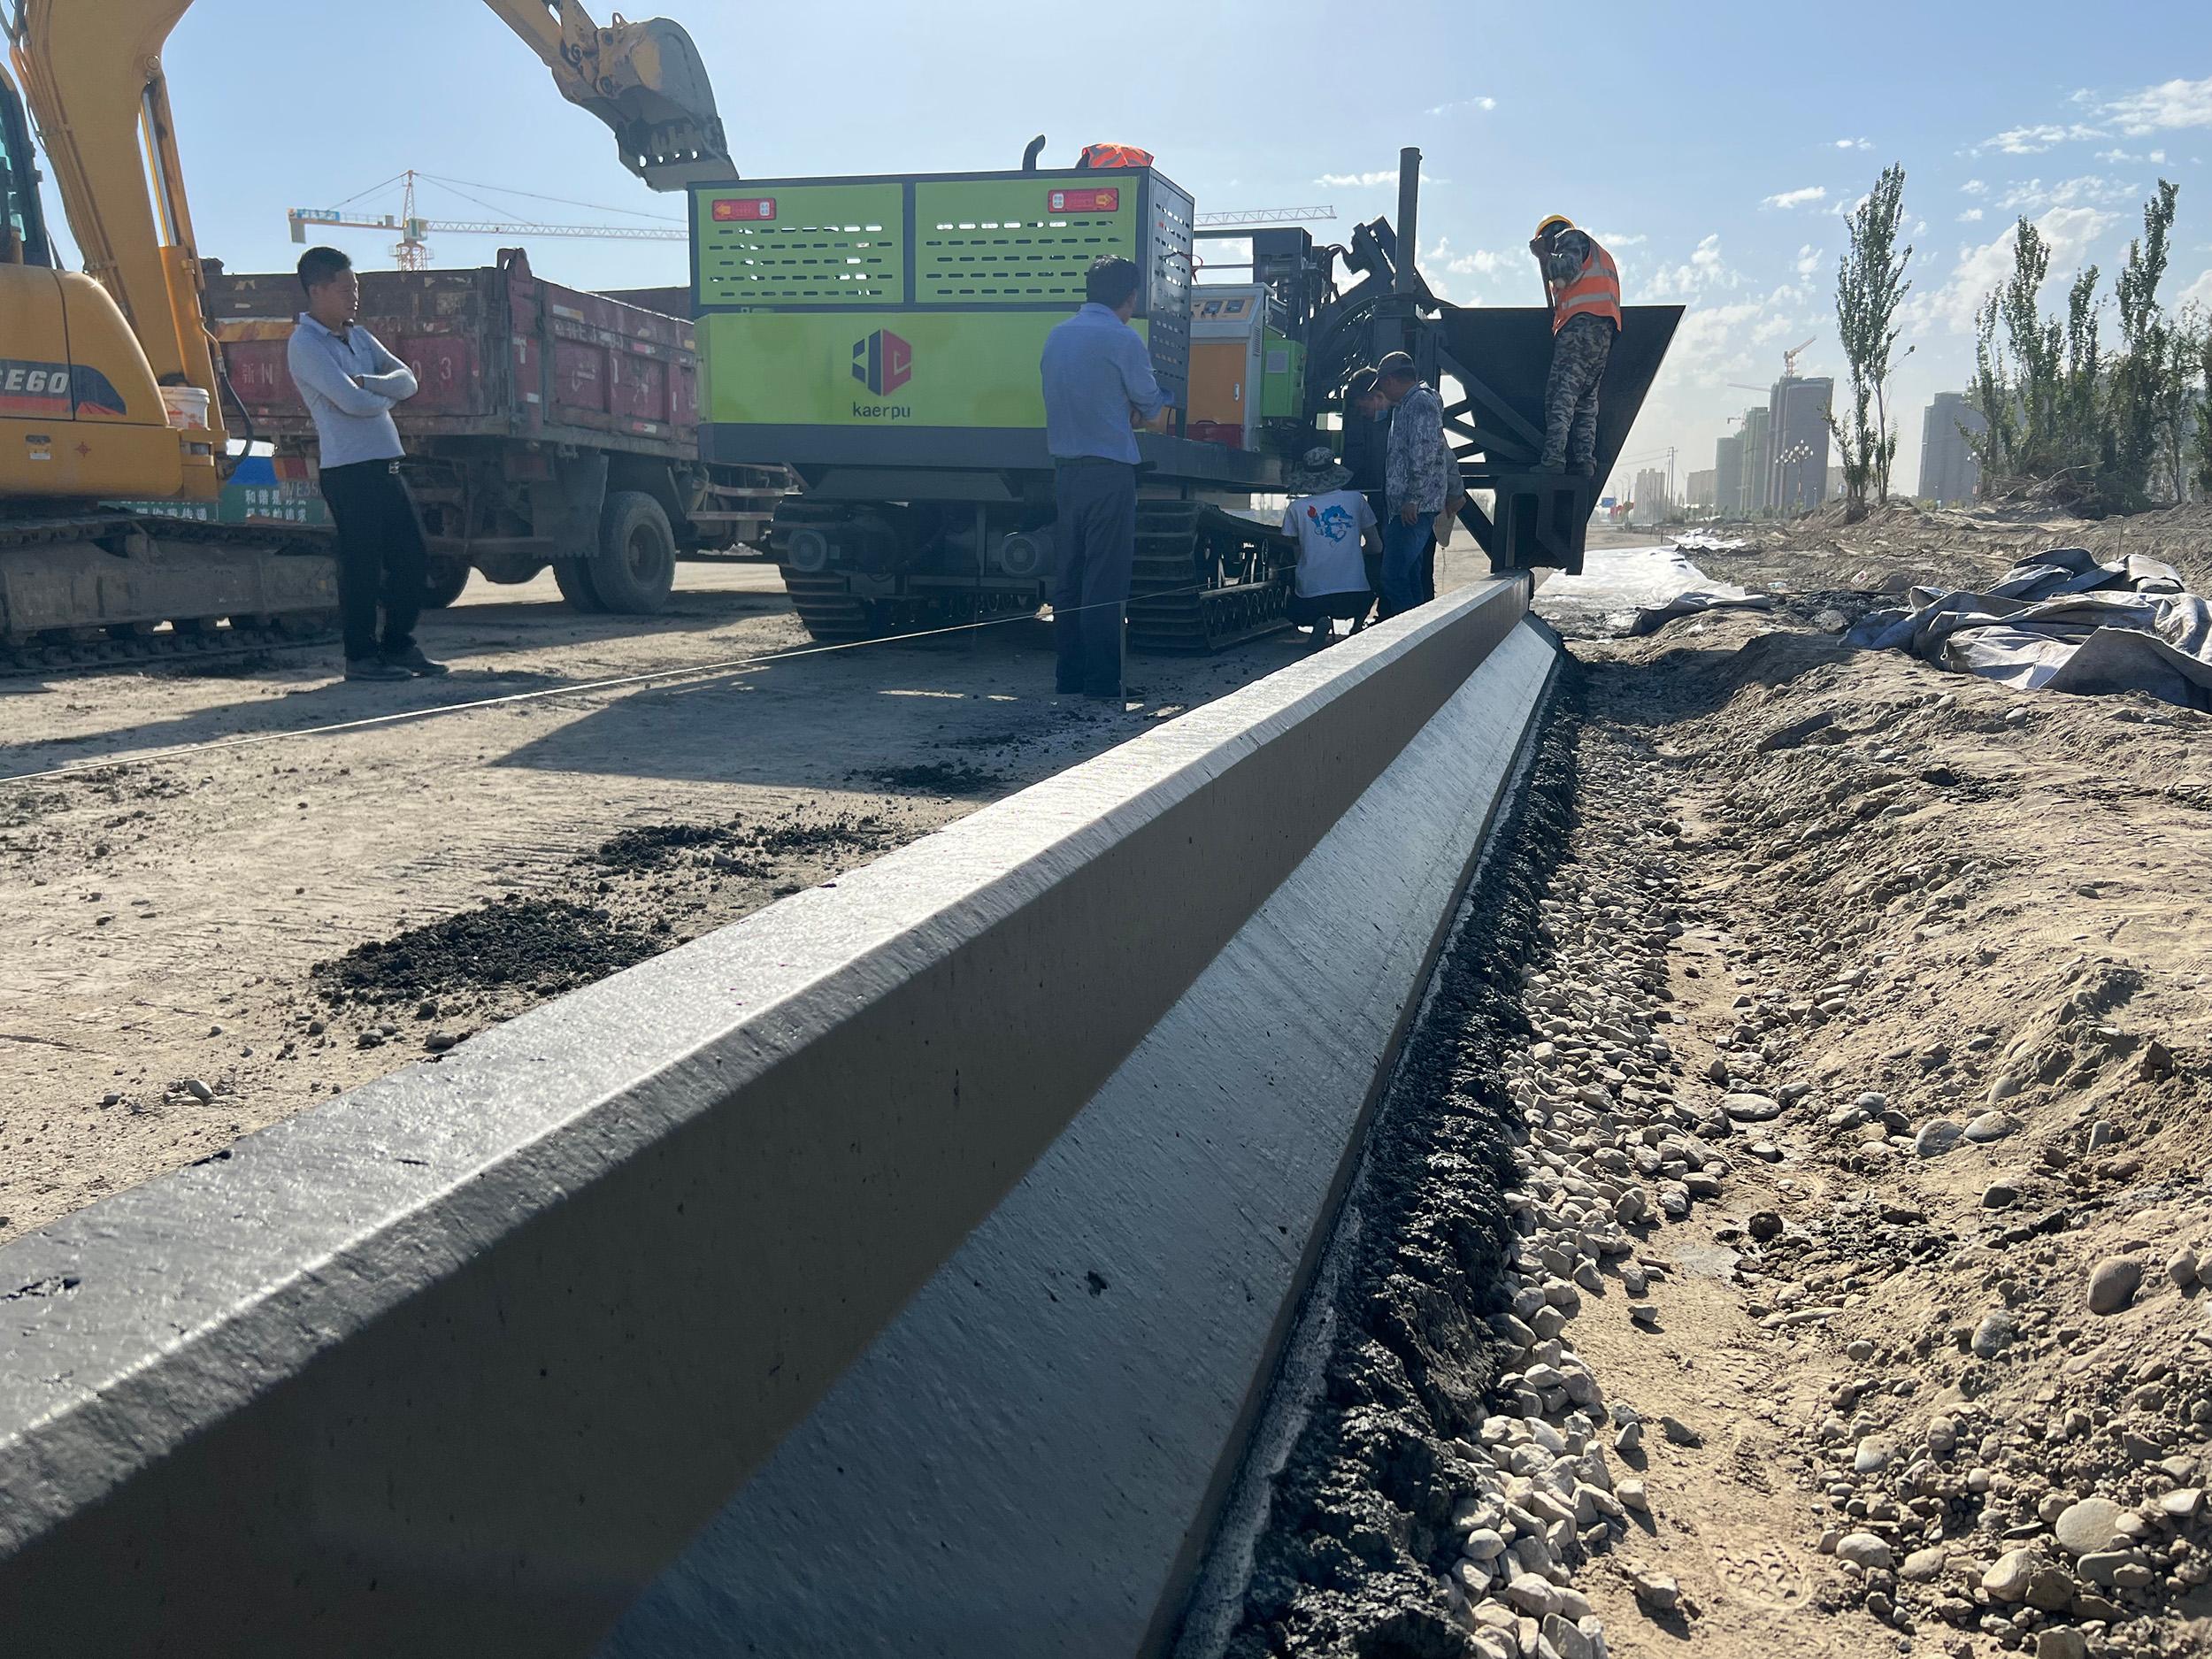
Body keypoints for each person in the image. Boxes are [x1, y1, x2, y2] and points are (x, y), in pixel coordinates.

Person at [287, 246, 443, 681]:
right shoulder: (305, 345)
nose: (354, 297)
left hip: (387, 464)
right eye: (345, 290)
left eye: (355, 289)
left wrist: (369, 383)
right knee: (362, 566)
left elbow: (408, 381)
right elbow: (352, 404)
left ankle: (398, 645)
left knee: (412, 557)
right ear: (316, 291)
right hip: (349, 470)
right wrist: (381, 396)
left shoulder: (359, 337)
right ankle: (360, 656)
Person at [1039, 254, 1168, 702]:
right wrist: (1131, 409)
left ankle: (1069, 677)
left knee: (1070, 577)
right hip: (1109, 473)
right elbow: (1152, 408)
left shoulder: (1057, 336)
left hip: (1066, 472)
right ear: (1130, 297)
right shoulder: (1123, 338)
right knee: (1105, 580)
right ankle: (1103, 683)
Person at [1528, 214, 1622, 476]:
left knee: (1560, 395)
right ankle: (1584, 462)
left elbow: (1564, 270)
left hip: (1580, 327)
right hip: (1603, 332)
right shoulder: (1597, 254)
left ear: (1548, 236)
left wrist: (1543, 255)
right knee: (1585, 402)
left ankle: (1553, 460)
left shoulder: (1569, 238)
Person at [1279, 446, 1380, 649]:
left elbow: (1297, 554)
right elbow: (1377, 546)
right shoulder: (1356, 499)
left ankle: (1319, 620)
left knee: (1299, 588)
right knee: (1372, 567)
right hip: (1353, 598)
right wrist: (1356, 554)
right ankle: (1358, 624)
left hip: (1310, 601)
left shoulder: (1296, 508)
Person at [1375, 351, 1452, 618]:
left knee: (1393, 575)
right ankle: (1417, 626)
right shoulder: (1408, 405)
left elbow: (1424, 452)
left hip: (1413, 508)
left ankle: (1405, 628)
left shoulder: (1419, 403)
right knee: (1409, 574)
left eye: (1382, 385)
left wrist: (1413, 498)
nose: (1383, 392)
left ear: (1391, 380)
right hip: (1408, 506)